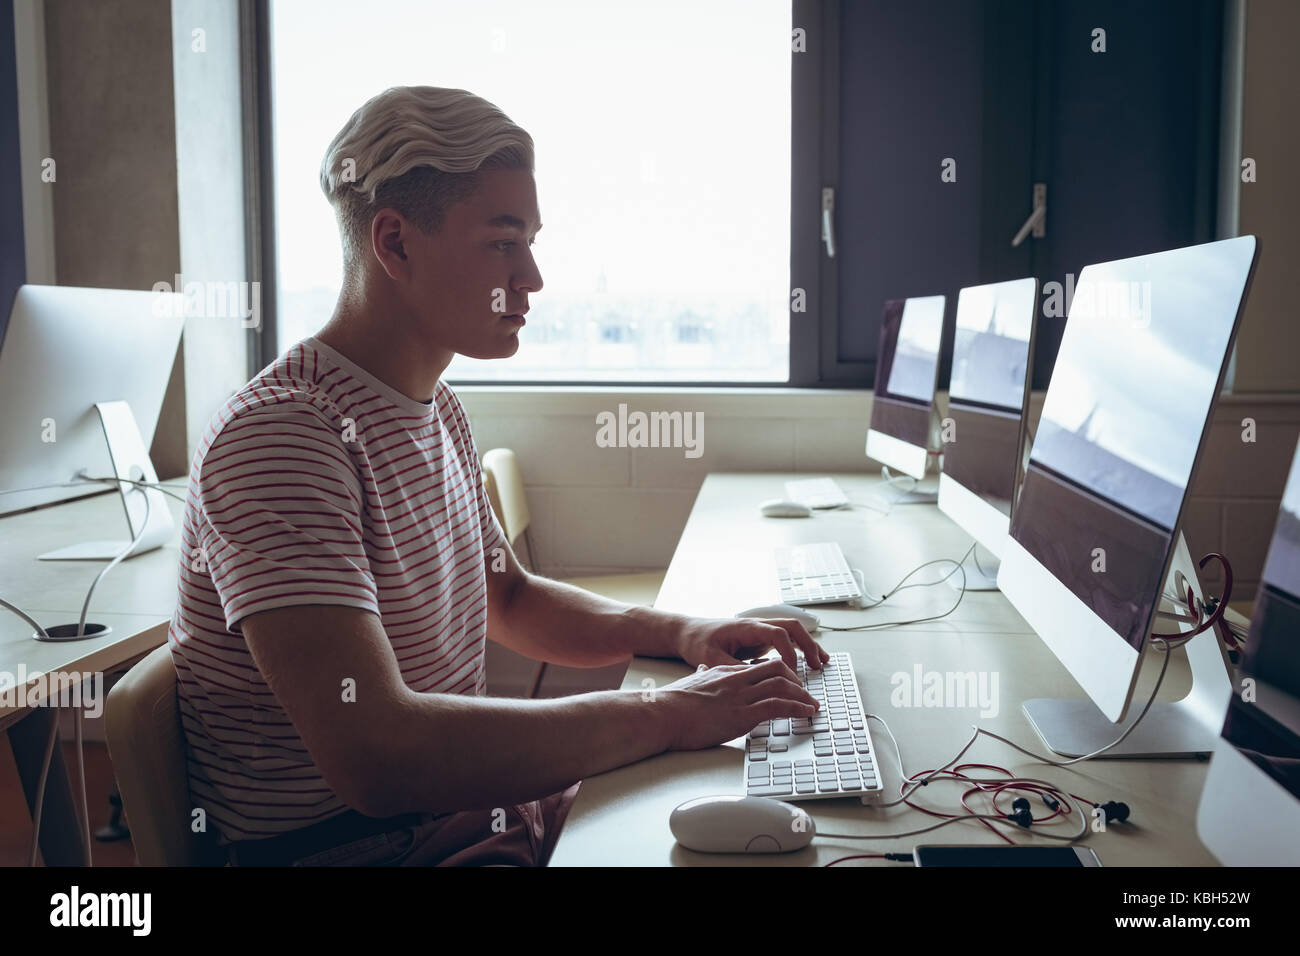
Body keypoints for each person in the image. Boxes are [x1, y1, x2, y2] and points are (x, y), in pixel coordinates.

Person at [167, 85, 825, 866]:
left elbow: (505, 597)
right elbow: (379, 758)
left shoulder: (433, 404)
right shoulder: (283, 435)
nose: (534, 277)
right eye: (504, 242)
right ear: (396, 244)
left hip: (460, 823)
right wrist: (665, 714)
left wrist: (681, 633)